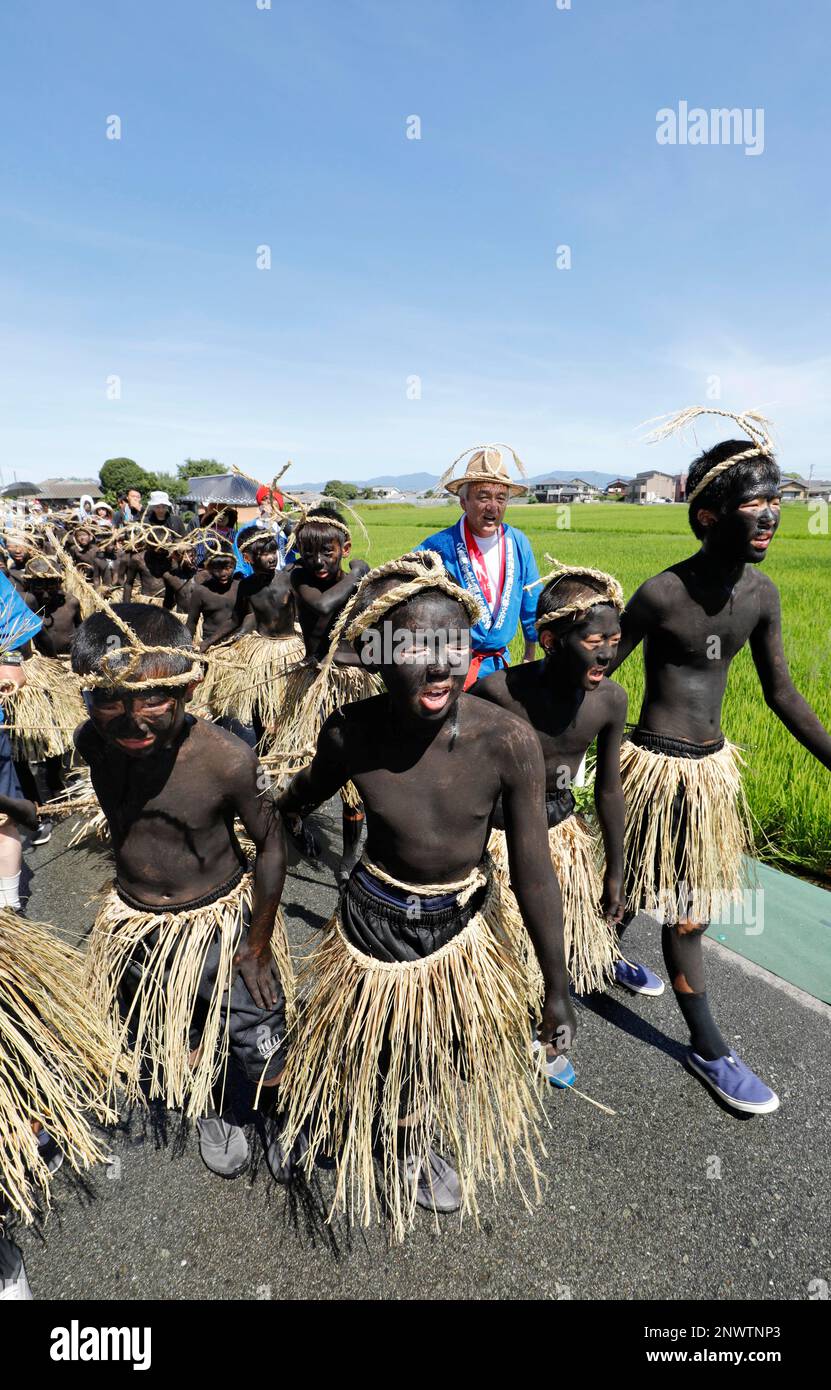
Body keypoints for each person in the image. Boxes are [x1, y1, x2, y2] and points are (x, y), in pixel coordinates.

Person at [277, 551, 574, 1240]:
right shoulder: (351, 732)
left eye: (454, 647)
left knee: (439, 1046)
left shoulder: (506, 740)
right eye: (415, 649)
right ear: (378, 658)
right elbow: (303, 794)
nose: (440, 664)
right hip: (373, 921)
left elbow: (533, 870)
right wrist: (262, 811)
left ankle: (411, 1134)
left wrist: (554, 984)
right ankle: (372, 1121)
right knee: (378, 1044)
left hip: (461, 926)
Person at [610, 407, 831, 1115]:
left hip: (707, 777)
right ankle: (686, 1036)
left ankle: (699, 1043)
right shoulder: (662, 594)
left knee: (684, 916)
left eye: (777, 500)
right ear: (706, 517)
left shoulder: (760, 594)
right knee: (624, 894)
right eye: (753, 503)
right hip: (649, 770)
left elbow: (782, 694)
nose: (770, 517)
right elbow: (593, 676)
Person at [71, 603, 297, 1179]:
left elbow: (272, 846)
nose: (133, 722)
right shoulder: (92, 742)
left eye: (153, 700)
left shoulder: (226, 759)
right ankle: (219, 1104)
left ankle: (279, 1113)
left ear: (191, 688)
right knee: (181, 1026)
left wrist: (258, 943)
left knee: (260, 1034)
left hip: (220, 927)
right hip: (138, 925)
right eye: (111, 702)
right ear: (86, 698)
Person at [474, 562, 626, 1045]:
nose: (607, 653)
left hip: (560, 835)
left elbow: (608, 788)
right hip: (495, 841)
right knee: (501, 951)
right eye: (592, 641)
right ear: (553, 639)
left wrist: (615, 869)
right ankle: (498, 1029)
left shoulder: (610, 702)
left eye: (615, 640)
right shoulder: (497, 692)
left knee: (548, 947)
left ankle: (546, 1023)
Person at [273, 504, 377, 882]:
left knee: (354, 780)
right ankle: (292, 811)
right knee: (310, 766)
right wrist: (359, 574)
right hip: (316, 684)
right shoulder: (301, 577)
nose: (317, 560)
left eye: (327, 552)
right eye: (308, 551)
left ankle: (349, 858)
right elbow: (322, 605)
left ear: (344, 547)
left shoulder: (359, 583)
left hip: (354, 684)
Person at [416, 445, 540, 686]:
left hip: (499, 667)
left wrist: (529, 656)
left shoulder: (518, 543)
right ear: (464, 501)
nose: (493, 507)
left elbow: (531, 602)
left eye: (501, 498)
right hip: (448, 668)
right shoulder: (436, 547)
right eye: (483, 497)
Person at [201, 523, 304, 742]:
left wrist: (292, 528)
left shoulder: (289, 577)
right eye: (264, 553)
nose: (271, 557)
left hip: (290, 648)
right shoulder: (246, 586)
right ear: (247, 558)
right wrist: (208, 642)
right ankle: (261, 746)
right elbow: (236, 619)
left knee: (289, 702)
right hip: (261, 653)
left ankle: (288, 744)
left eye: (273, 551)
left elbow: (305, 552)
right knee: (260, 701)